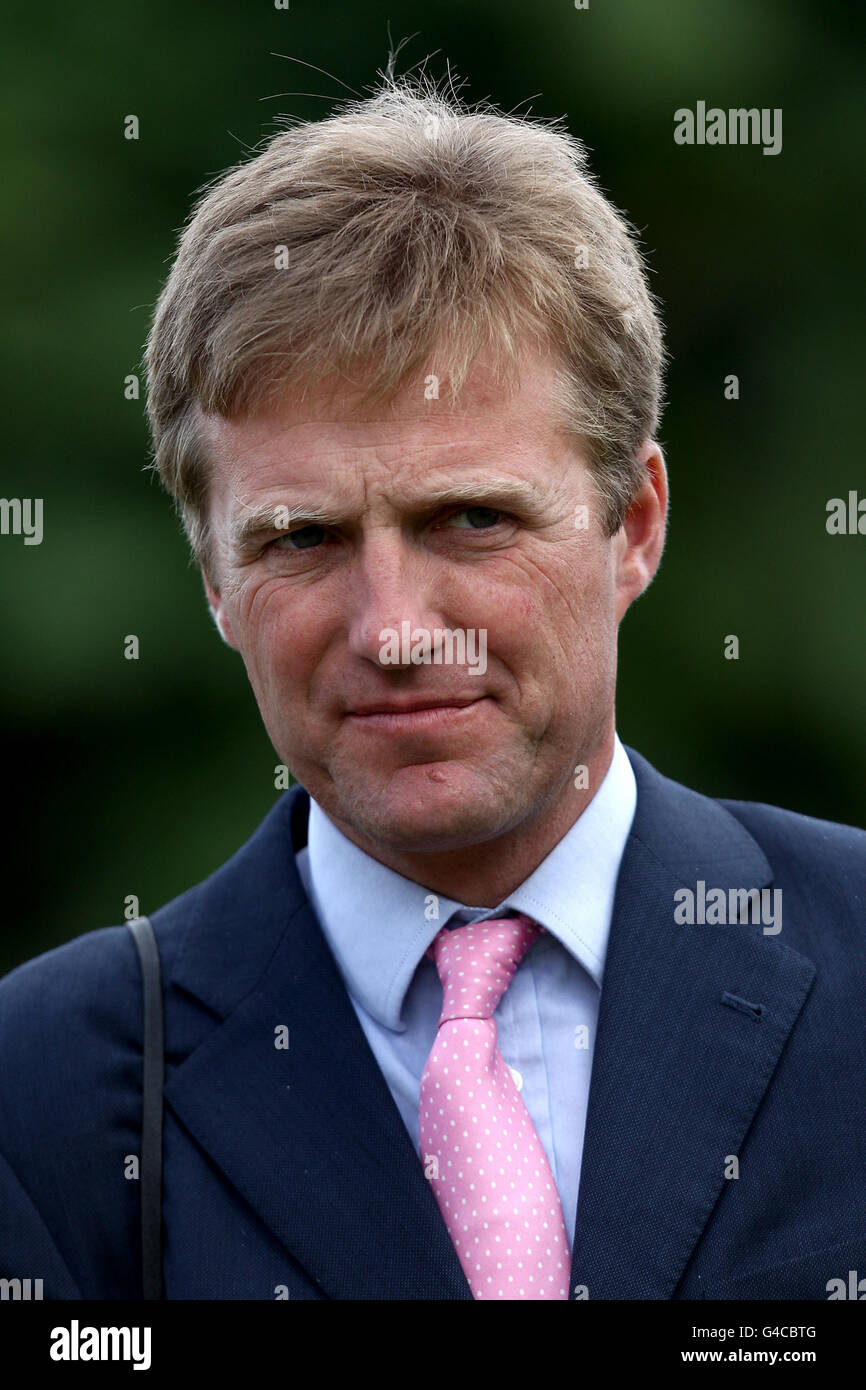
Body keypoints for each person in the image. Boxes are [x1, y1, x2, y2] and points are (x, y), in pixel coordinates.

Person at [1, 77, 864, 1303]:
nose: (394, 630)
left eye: (470, 518)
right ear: (211, 576)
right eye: (301, 538)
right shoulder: (37, 1091)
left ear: (633, 525)